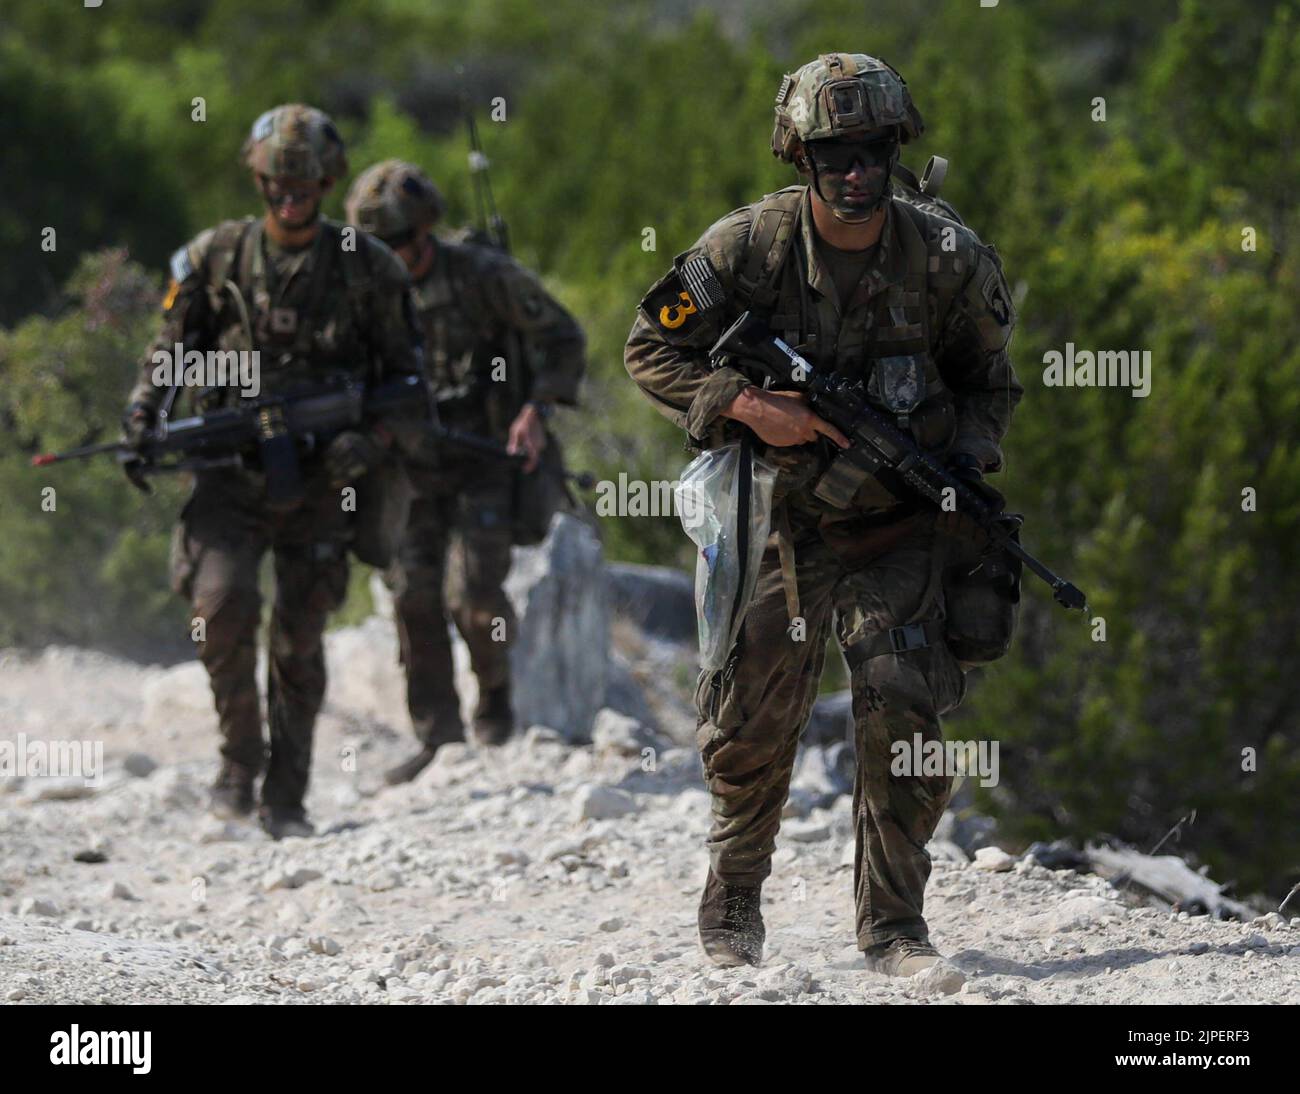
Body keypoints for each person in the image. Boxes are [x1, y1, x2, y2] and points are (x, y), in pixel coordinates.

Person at [624, 53, 1023, 979]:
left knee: (907, 711)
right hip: (778, 522)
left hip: (896, 528)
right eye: (834, 152)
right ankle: (732, 908)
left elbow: (988, 384)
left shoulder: (948, 257)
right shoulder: (746, 249)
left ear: (896, 149)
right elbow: (652, 348)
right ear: (801, 156)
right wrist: (750, 405)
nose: (855, 170)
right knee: (751, 723)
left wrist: (958, 464)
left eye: (873, 150)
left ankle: (894, 930)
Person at [122, 105, 425, 839]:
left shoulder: (366, 266)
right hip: (230, 474)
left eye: (304, 181)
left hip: (324, 484)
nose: (289, 193)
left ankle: (285, 796)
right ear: (256, 177)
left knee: (298, 639)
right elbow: (171, 350)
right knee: (219, 612)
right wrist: (143, 416)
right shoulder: (216, 258)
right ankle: (238, 760)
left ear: (327, 182)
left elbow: (411, 386)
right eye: (276, 179)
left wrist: (370, 441)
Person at [344, 160, 585, 785]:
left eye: (400, 244)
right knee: (412, 595)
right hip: (412, 465)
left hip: (484, 458)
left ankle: (495, 705)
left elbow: (563, 337)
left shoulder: (484, 277)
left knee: (476, 596)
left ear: (425, 232)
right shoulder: (366, 296)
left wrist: (535, 410)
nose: (392, 258)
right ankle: (438, 737)